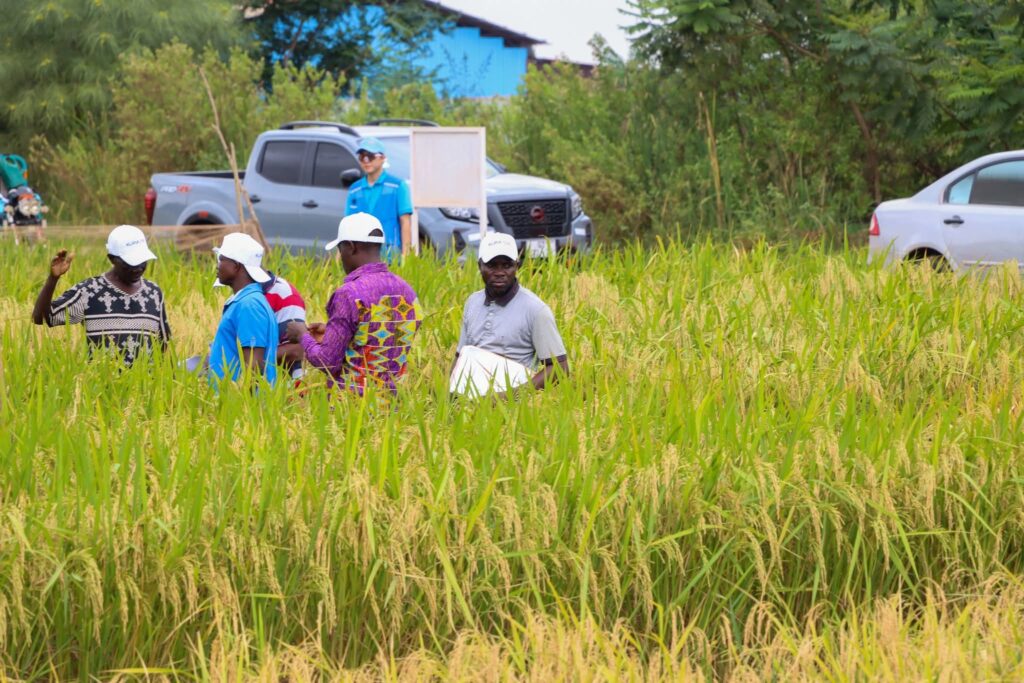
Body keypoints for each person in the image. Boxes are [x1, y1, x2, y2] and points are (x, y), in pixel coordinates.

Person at [284, 212, 420, 395]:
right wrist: (333, 332)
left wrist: (302, 335)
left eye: (340, 250)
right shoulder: (408, 291)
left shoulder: (348, 294)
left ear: (351, 247)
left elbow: (327, 361)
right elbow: (382, 336)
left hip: (351, 409)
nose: (340, 258)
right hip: (392, 408)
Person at [31, 224, 171, 366]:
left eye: (142, 261)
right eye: (130, 262)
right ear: (112, 259)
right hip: (103, 383)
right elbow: (41, 318)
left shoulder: (154, 293)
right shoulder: (89, 291)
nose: (137, 268)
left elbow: (163, 345)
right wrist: (53, 279)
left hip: (146, 385)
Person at [452, 232, 568, 397]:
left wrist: (505, 397)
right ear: (480, 266)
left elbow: (559, 369)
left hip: (510, 405)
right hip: (467, 401)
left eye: (507, 265)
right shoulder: (472, 302)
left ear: (517, 266)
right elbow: (460, 357)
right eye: (492, 265)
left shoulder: (535, 310)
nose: (500, 272)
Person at [207, 232, 279, 387]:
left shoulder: (250, 305)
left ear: (236, 265)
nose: (217, 266)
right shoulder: (245, 301)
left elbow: (254, 366)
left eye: (221, 260)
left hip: (240, 406)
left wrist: (244, 408)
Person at [345, 136, 413, 260]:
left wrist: (406, 255)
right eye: (362, 157)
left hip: (390, 256)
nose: (366, 161)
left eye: (370, 156)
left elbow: (405, 222)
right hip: (361, 258)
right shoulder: (355, 189)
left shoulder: (397, 186)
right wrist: (341, 258)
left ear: (382, 158)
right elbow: (347, 227)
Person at [261, 270, 307, 379]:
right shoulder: (236, 298)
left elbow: (296, 350)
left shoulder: (282, 292)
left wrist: (244, 359)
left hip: (284, 390)